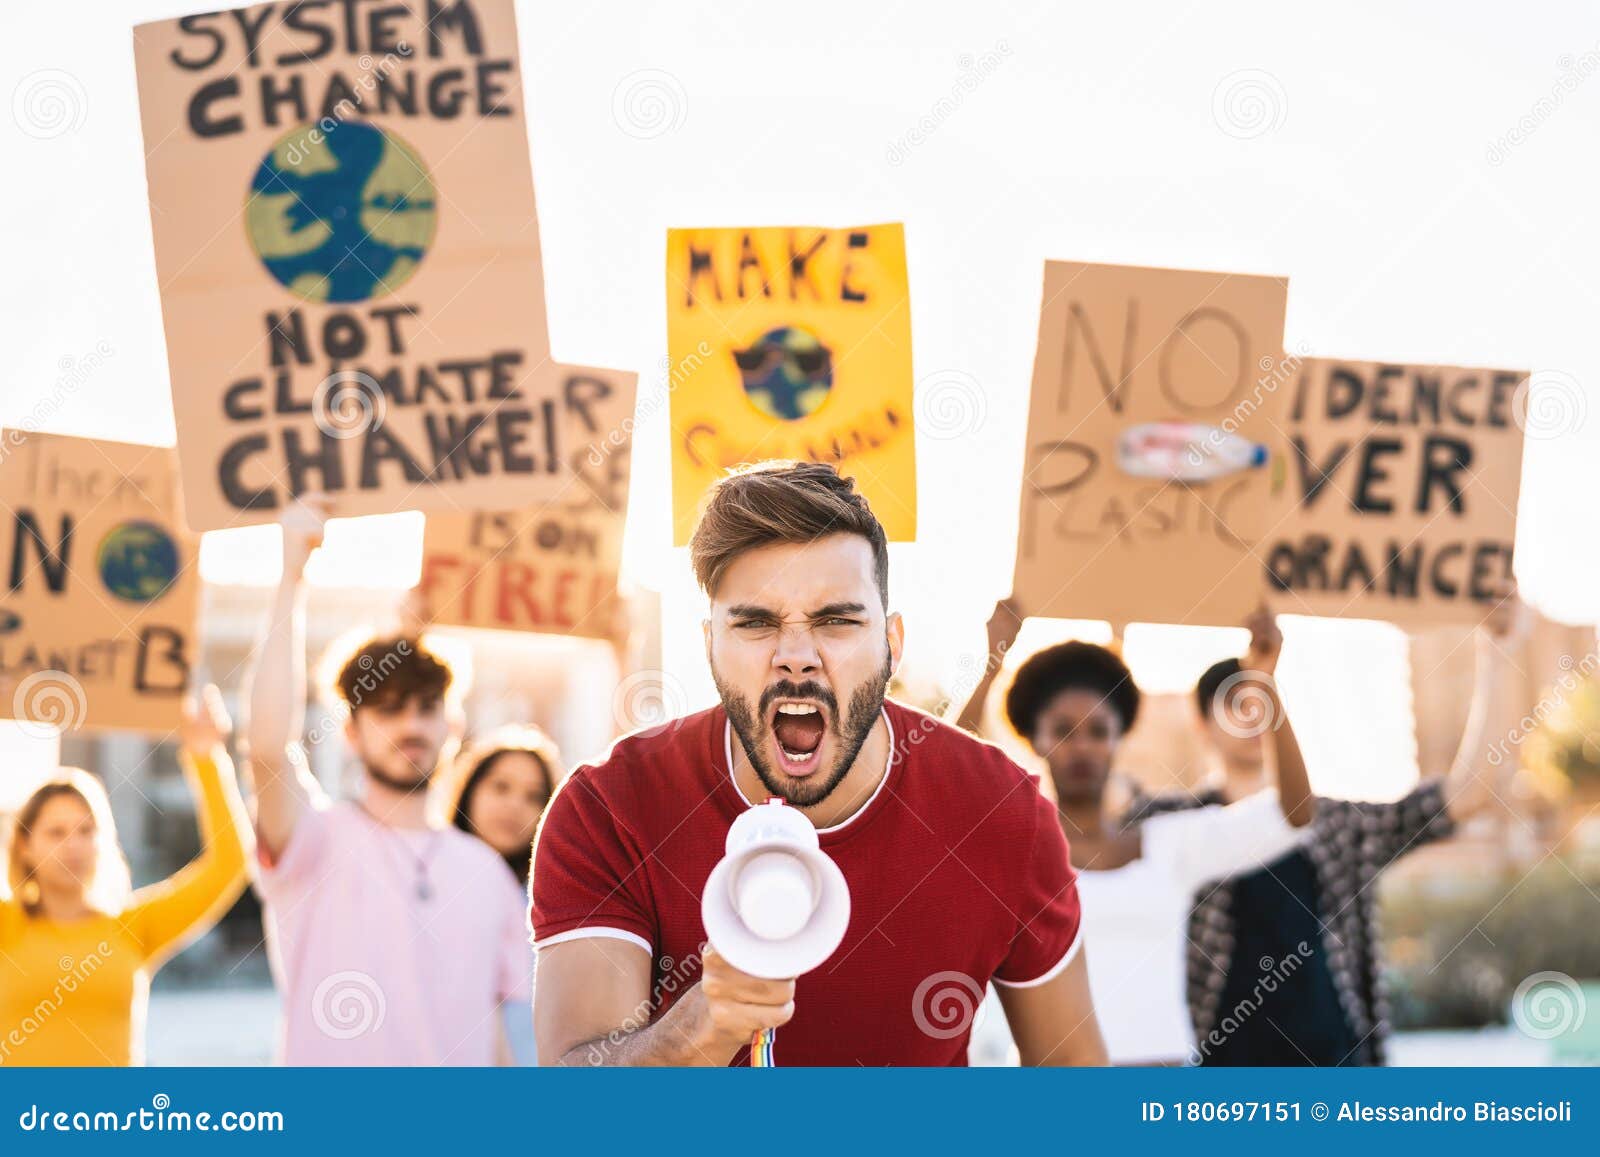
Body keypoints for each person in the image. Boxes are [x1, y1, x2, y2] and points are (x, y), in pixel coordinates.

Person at [530, 461, 1107, 1066]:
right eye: (756, 622)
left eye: (836, 621)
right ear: (709, 648)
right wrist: (702, 1027)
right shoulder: (609, 807)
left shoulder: (1004, 813)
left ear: (892, 644)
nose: (797, 657)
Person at [1121, 594, 1529, 1066]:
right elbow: (1087, 816)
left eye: (1262, 698)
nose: (1252, 716)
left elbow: (1470, 794)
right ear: (1201, 722)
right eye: (1236, 703)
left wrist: (1498, 651)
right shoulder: (1171, 828)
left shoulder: (1337, 826)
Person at [244, 497, 532, 1066]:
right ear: (351, 732)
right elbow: (265, 747)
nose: (410, 725)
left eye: (426, 707)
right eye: (388, 709)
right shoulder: (313, 840)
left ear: (453, 723)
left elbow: (500, 1043)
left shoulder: (488, 875)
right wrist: (290, 576)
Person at [962, 606, 1316, 1064]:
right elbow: (932, 788)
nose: (1082, 746)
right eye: (1063, 730)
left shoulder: (1170, 845)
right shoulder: (1013, 854)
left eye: (1098, 730)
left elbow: (1296, 814)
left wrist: (1264, 683)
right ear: (1036, 739)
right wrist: (991, 663)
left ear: (1120, 737)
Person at [0, 687, 250, 1066]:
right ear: (23, 846)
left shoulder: (134, 926)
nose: (73, 845)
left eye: (86, 831)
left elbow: (229, 864)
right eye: (56, 832)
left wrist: (206, 757)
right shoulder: (7, 926)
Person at [444, 727, 562, 886]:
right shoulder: (426, 871)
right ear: (470, 789)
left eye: (534, 796)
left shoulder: (548, 901)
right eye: (501, 787)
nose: (515, 805)